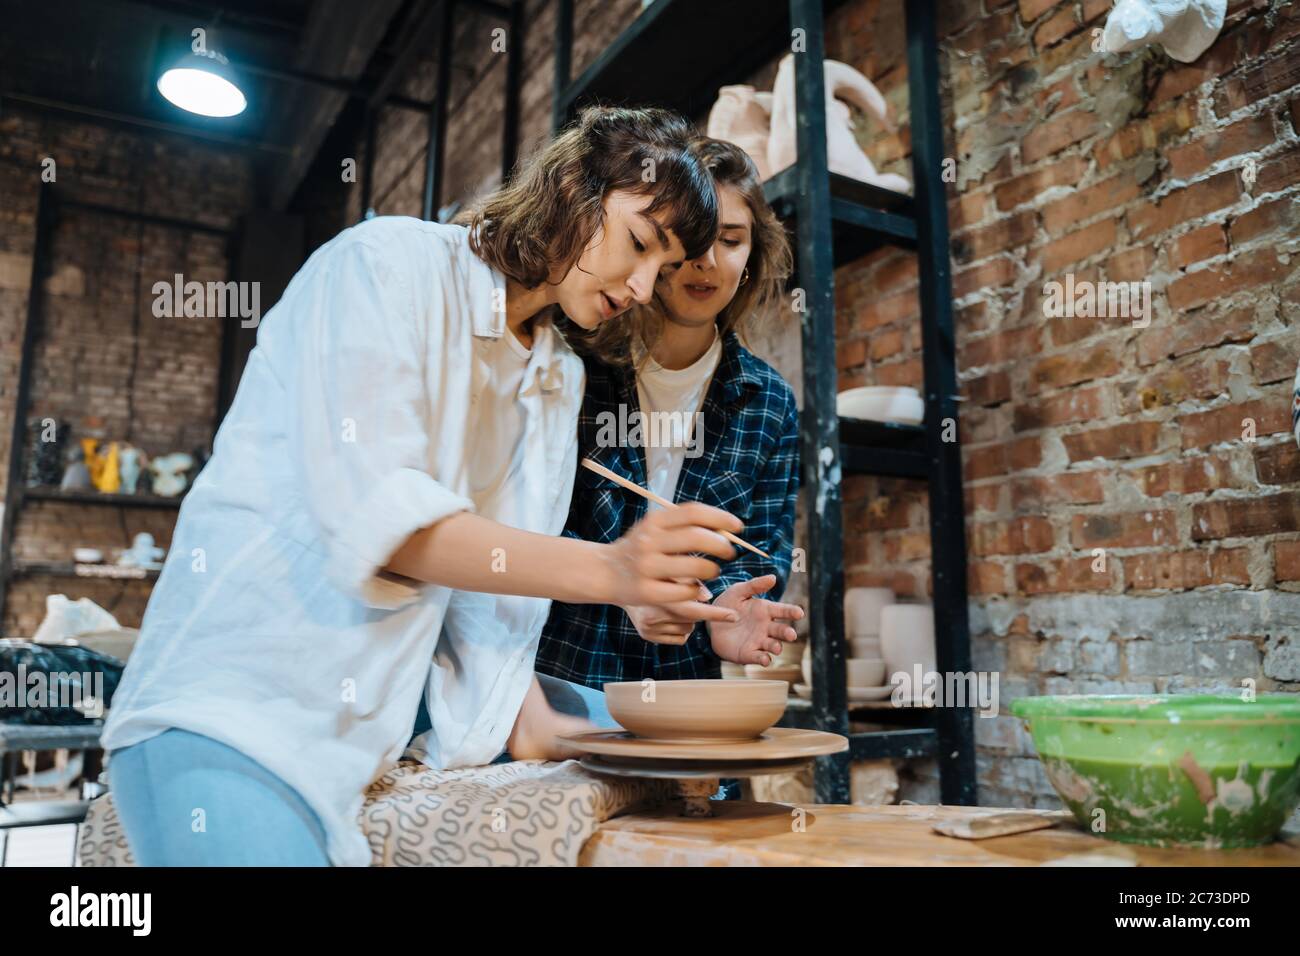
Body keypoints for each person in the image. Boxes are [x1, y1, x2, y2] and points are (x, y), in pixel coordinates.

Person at [100, 107, 745, 867]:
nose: (641, 286)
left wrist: (657, 613)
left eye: (662, 269)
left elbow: (486, 606)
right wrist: (611, 571)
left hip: (368, 737)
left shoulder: (555, 377)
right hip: (232, 710)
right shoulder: (382, 268)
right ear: (574, 188)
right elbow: (391, 526)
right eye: (639, 242)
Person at [538, 138, 803, 693]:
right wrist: (620, 581)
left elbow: (760, 552)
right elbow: (525, 522)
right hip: (557, 687)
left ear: (752, 258)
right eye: (696, 241)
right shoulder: (573, 360)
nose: (707, 262)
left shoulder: (769, 402)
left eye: (731, 241)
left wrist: (724, 610)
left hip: (686, 699)